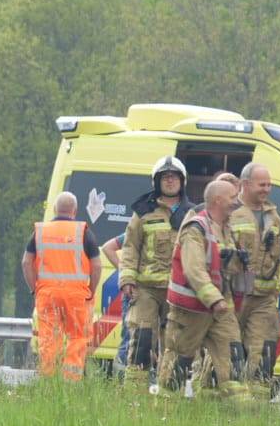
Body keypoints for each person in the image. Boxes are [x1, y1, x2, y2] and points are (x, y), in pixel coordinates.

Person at [159, 179, 245, 397]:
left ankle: (239, 412)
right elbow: (194, 269)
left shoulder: (228, 229)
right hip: (192, 310)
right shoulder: (195, 228)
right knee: (179, 359)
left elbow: (227, 269)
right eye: (233, 197)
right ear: (218, 200)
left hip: (221, 309)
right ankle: (165, 409)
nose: (237, 202)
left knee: (234, 355)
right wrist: (214, 299)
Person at [119, 156, 194, 392]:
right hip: (146, 289)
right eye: (165, 177)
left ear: (182, 181)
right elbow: (130, 247)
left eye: (174, 177)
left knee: (175, 344)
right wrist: (127, 278)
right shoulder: (143, 212)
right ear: (157, 181)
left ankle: (169, 395)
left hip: (178, 290)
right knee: (141, 339)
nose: (170, 181)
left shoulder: (192, 214)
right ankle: (134, 394)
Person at [22, 192, 102, 381]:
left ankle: (48, 380)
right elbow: (97, 265)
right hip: (76, 295)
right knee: (77, 337)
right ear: (74, 211)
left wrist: (34, 288)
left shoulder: (40, 231)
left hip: (47, 294)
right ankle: (71, 380)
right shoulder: (83, 232)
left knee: (49, 338)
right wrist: (92, 288)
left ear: (55, 209)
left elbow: (26, 262)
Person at [231, 162, 280, 388]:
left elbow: (277, 258)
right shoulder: (230, 212)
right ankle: (216, 399)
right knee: (227, 350)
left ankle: (255, 404)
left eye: (269, 185)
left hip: (264, 297)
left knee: (260, 351)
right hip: (234, 295)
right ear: (245, 184)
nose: (267, 189)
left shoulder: (274, 217)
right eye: (262, 184)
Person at [101, 234, 130, 378]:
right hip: (137, 295)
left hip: (143, 295)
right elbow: (108, 248)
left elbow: (108, 247)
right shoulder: (139, 226)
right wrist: (125, 274)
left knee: (130, 340)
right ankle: (120, 382)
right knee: (130, 341)